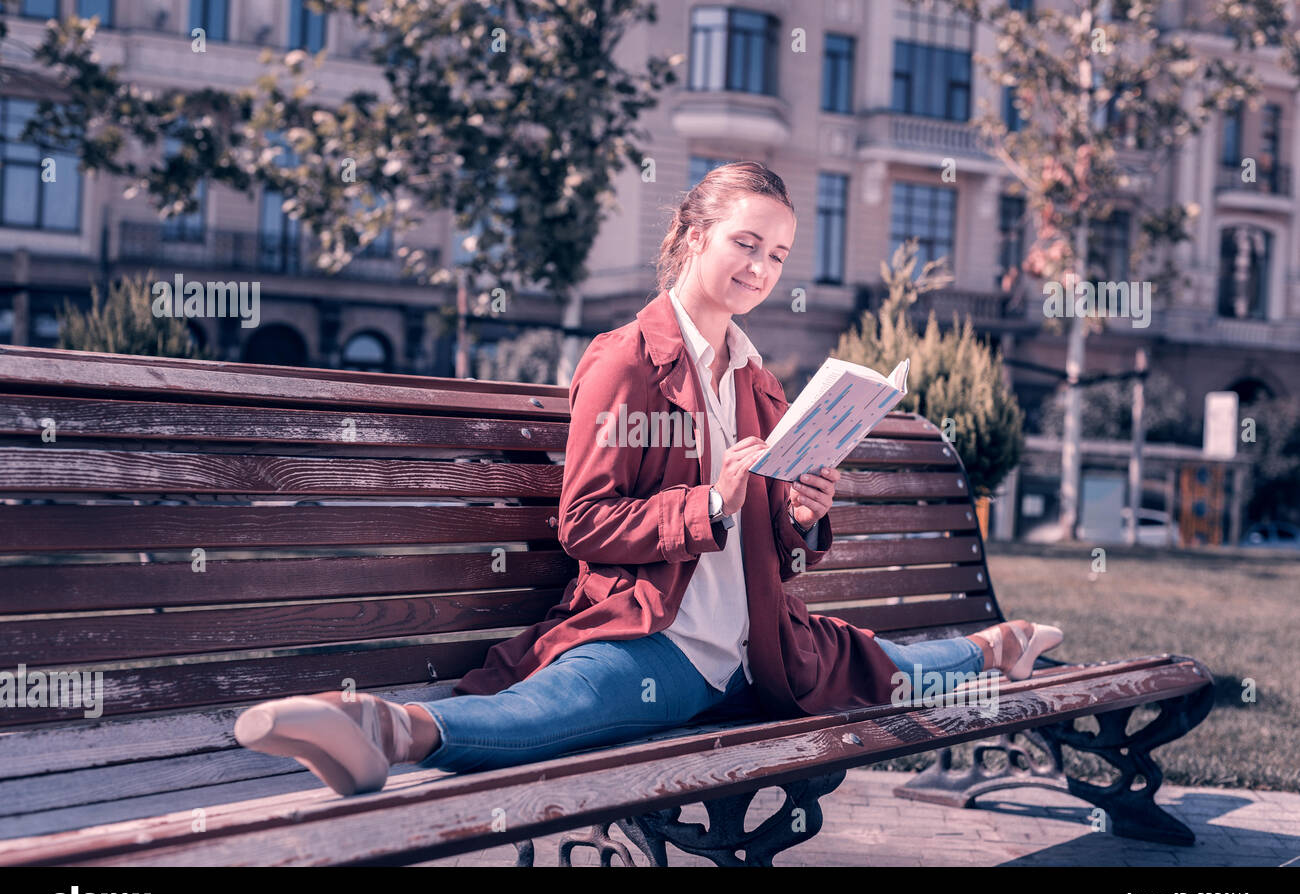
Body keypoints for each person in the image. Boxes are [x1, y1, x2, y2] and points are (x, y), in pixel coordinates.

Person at [234, 161, 1064, 796]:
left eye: (777, 254)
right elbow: (585, 523)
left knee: (881, 666)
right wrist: (711, 501)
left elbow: (778, 550)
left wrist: (804, 515)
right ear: (694, 234)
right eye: (747, 243)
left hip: (764, 649)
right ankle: (381, 730)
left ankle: (1000, 644)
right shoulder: (626, 360)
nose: (762, 268)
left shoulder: (759, 381)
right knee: (570, 707)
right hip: (661, 641)